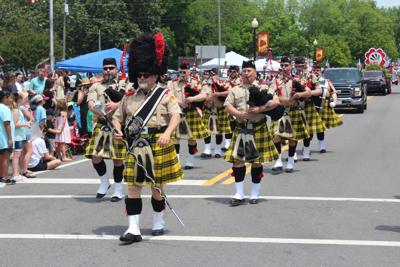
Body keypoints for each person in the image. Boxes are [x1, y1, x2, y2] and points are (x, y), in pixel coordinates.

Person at [113, 32, 183, 244]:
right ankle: (133, 229)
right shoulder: (128, 98)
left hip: (158, 143)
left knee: (157, 188)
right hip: (136, 145)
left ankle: (158, 221)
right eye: (139, 74)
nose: (141, 77)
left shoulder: (165, 95)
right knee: (133, 186)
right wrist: (118, 129)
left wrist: (168, 133)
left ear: (155, 74)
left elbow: (176, 115)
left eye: (146, 74)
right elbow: (117, 117)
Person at [224, 60, 280, 206]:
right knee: (238, 161)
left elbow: (276, 102)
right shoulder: (235, 90)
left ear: (255, 73)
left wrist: (261, 110)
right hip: (241, 127)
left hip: (258, 128)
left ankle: (255, 193)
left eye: (249, 71)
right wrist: (239, 114)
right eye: (244, 71)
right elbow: (227, 106)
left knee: (256, 162)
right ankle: (239, 194)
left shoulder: (263, 87)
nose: (246, 73)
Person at [85, 57, 126, 202]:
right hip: (102, 123)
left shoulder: (125, 83)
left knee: (117, 160)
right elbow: (90, 103)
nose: (108, 70)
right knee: (95, 157)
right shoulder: (96, 86)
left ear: (117, 69)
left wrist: (116, 105)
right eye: (106, 68)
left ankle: (118, 189)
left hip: (118, 125)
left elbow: (131, 100)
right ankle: (104, 181)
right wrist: (99, 111)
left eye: (111, 68)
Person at [270, 56, 311, 173]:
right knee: (276, 136)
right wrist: (281, 99)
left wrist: (299, 95)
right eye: (282, 65)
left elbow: (307, 92)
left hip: (293, 111)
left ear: (290, 66)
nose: (283, 67)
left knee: (292, 139)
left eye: (286, 65)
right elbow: (270, 94)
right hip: (279, 111)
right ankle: (278, 160)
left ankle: (290, 161)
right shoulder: (276, 80)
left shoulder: (296, 80)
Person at [167, 60, 209, 169]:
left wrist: (192, 99)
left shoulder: (196, 82)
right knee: (175, 138)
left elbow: (205, 94)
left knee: (192, 139)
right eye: (180, 72)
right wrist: (179, 102)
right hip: (177, 112)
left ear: (189, 72)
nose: (182, 74)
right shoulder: (172, 82)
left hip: (191, 113)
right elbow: (168, 95)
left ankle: (190, 161)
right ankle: (176, 162)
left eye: (184, 72)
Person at [11, 91, 30, 182]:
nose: (26, 100)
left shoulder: (18, 109)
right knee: (16, 155)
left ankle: (17, 173)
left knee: (18, 155)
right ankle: (15, 174)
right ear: (20, 99)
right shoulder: (16, 111)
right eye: (25, 98)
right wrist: (25, 123)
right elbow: (14, 124)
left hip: (20, 136)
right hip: (17, 136)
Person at [0, 90, 16, 185]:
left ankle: (1, 177)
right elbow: (7, 123)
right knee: (5, 158)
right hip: (4, 138)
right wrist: (10, 138)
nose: (12, 99)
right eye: (10, 97)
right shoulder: (4, 109)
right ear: (5, 98)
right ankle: (4, 178)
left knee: (1, 158)